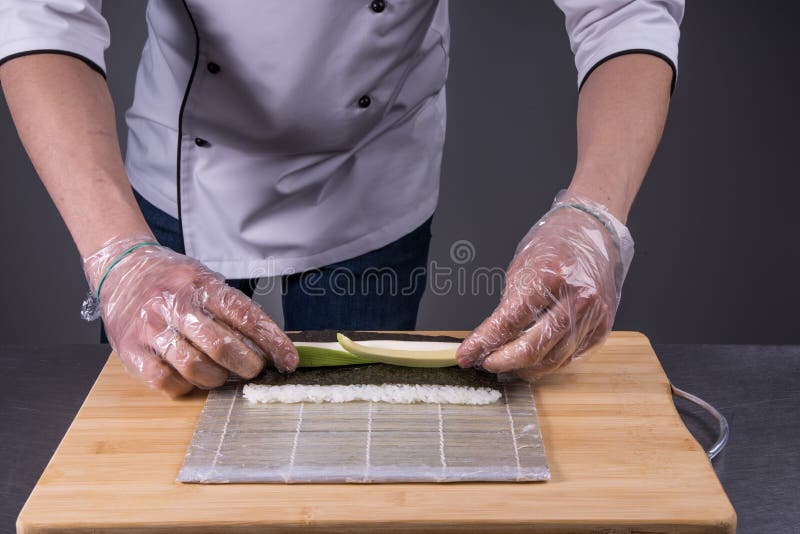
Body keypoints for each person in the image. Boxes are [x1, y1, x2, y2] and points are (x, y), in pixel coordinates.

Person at [0, 0, 682, 396]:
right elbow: (40, 17)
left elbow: (625, 10)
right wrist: (118, 257)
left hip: (373, 169)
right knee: (149, 468)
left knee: (356, 456)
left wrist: (593, 215)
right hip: (185, 167)